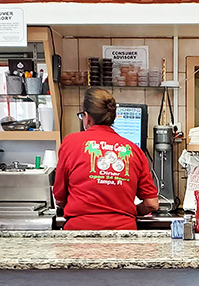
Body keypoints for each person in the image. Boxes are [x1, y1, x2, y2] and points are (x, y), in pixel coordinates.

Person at [53, 88, 159, 230]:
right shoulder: (133, 150)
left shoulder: (70, 143)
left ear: (86, 117)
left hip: (78, 235)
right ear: (112, 117)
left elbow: (59, 199)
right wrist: (127, 211)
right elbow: (152, 204)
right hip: (123, 236)